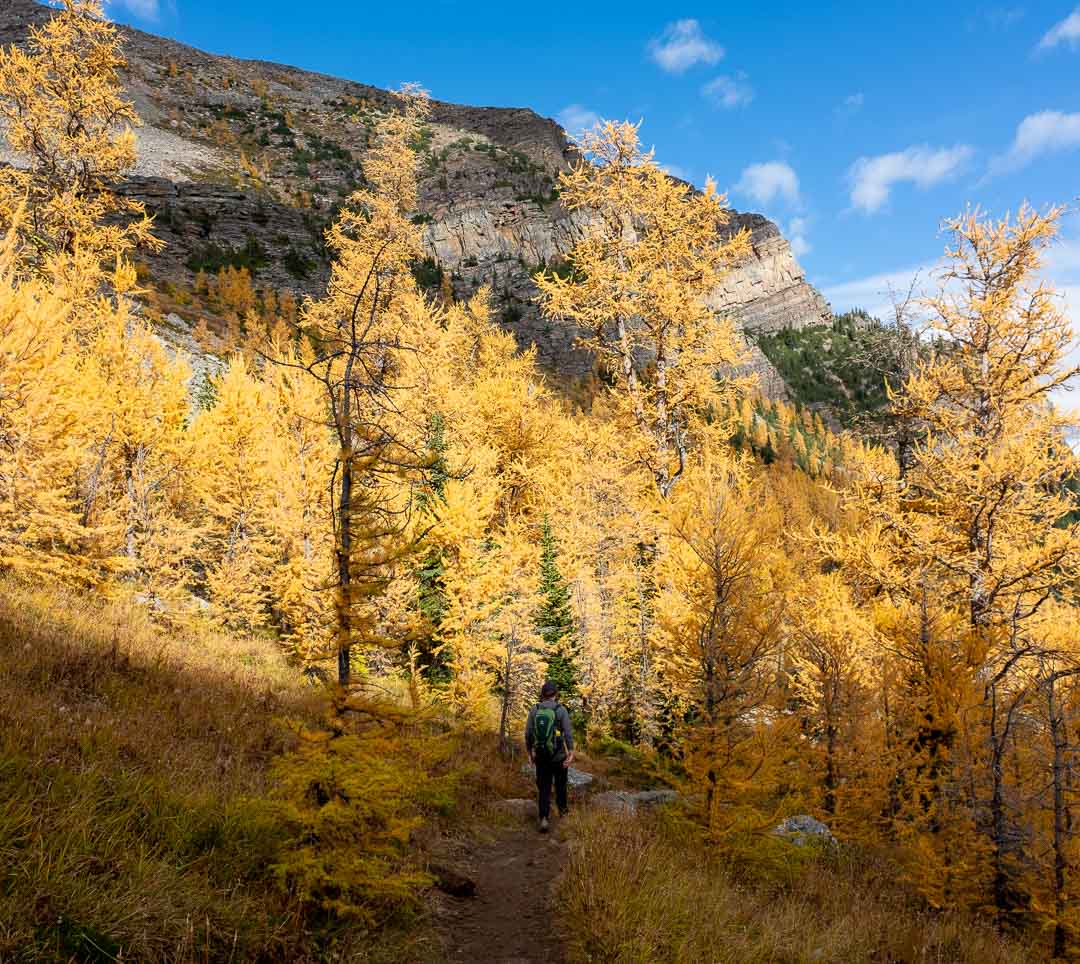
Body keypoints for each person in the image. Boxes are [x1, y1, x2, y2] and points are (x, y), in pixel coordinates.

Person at [524, 680, 575, 833]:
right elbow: (568, 733)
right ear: (555, 694)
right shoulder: (561, 710)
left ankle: (544, 818)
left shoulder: (535, 709)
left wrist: (530, 752)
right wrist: (570, 752)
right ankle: (563, 815)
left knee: (544, 788)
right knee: (561, 786)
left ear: (543, 694)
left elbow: (528, 733)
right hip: (558, 757)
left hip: (541, 756)